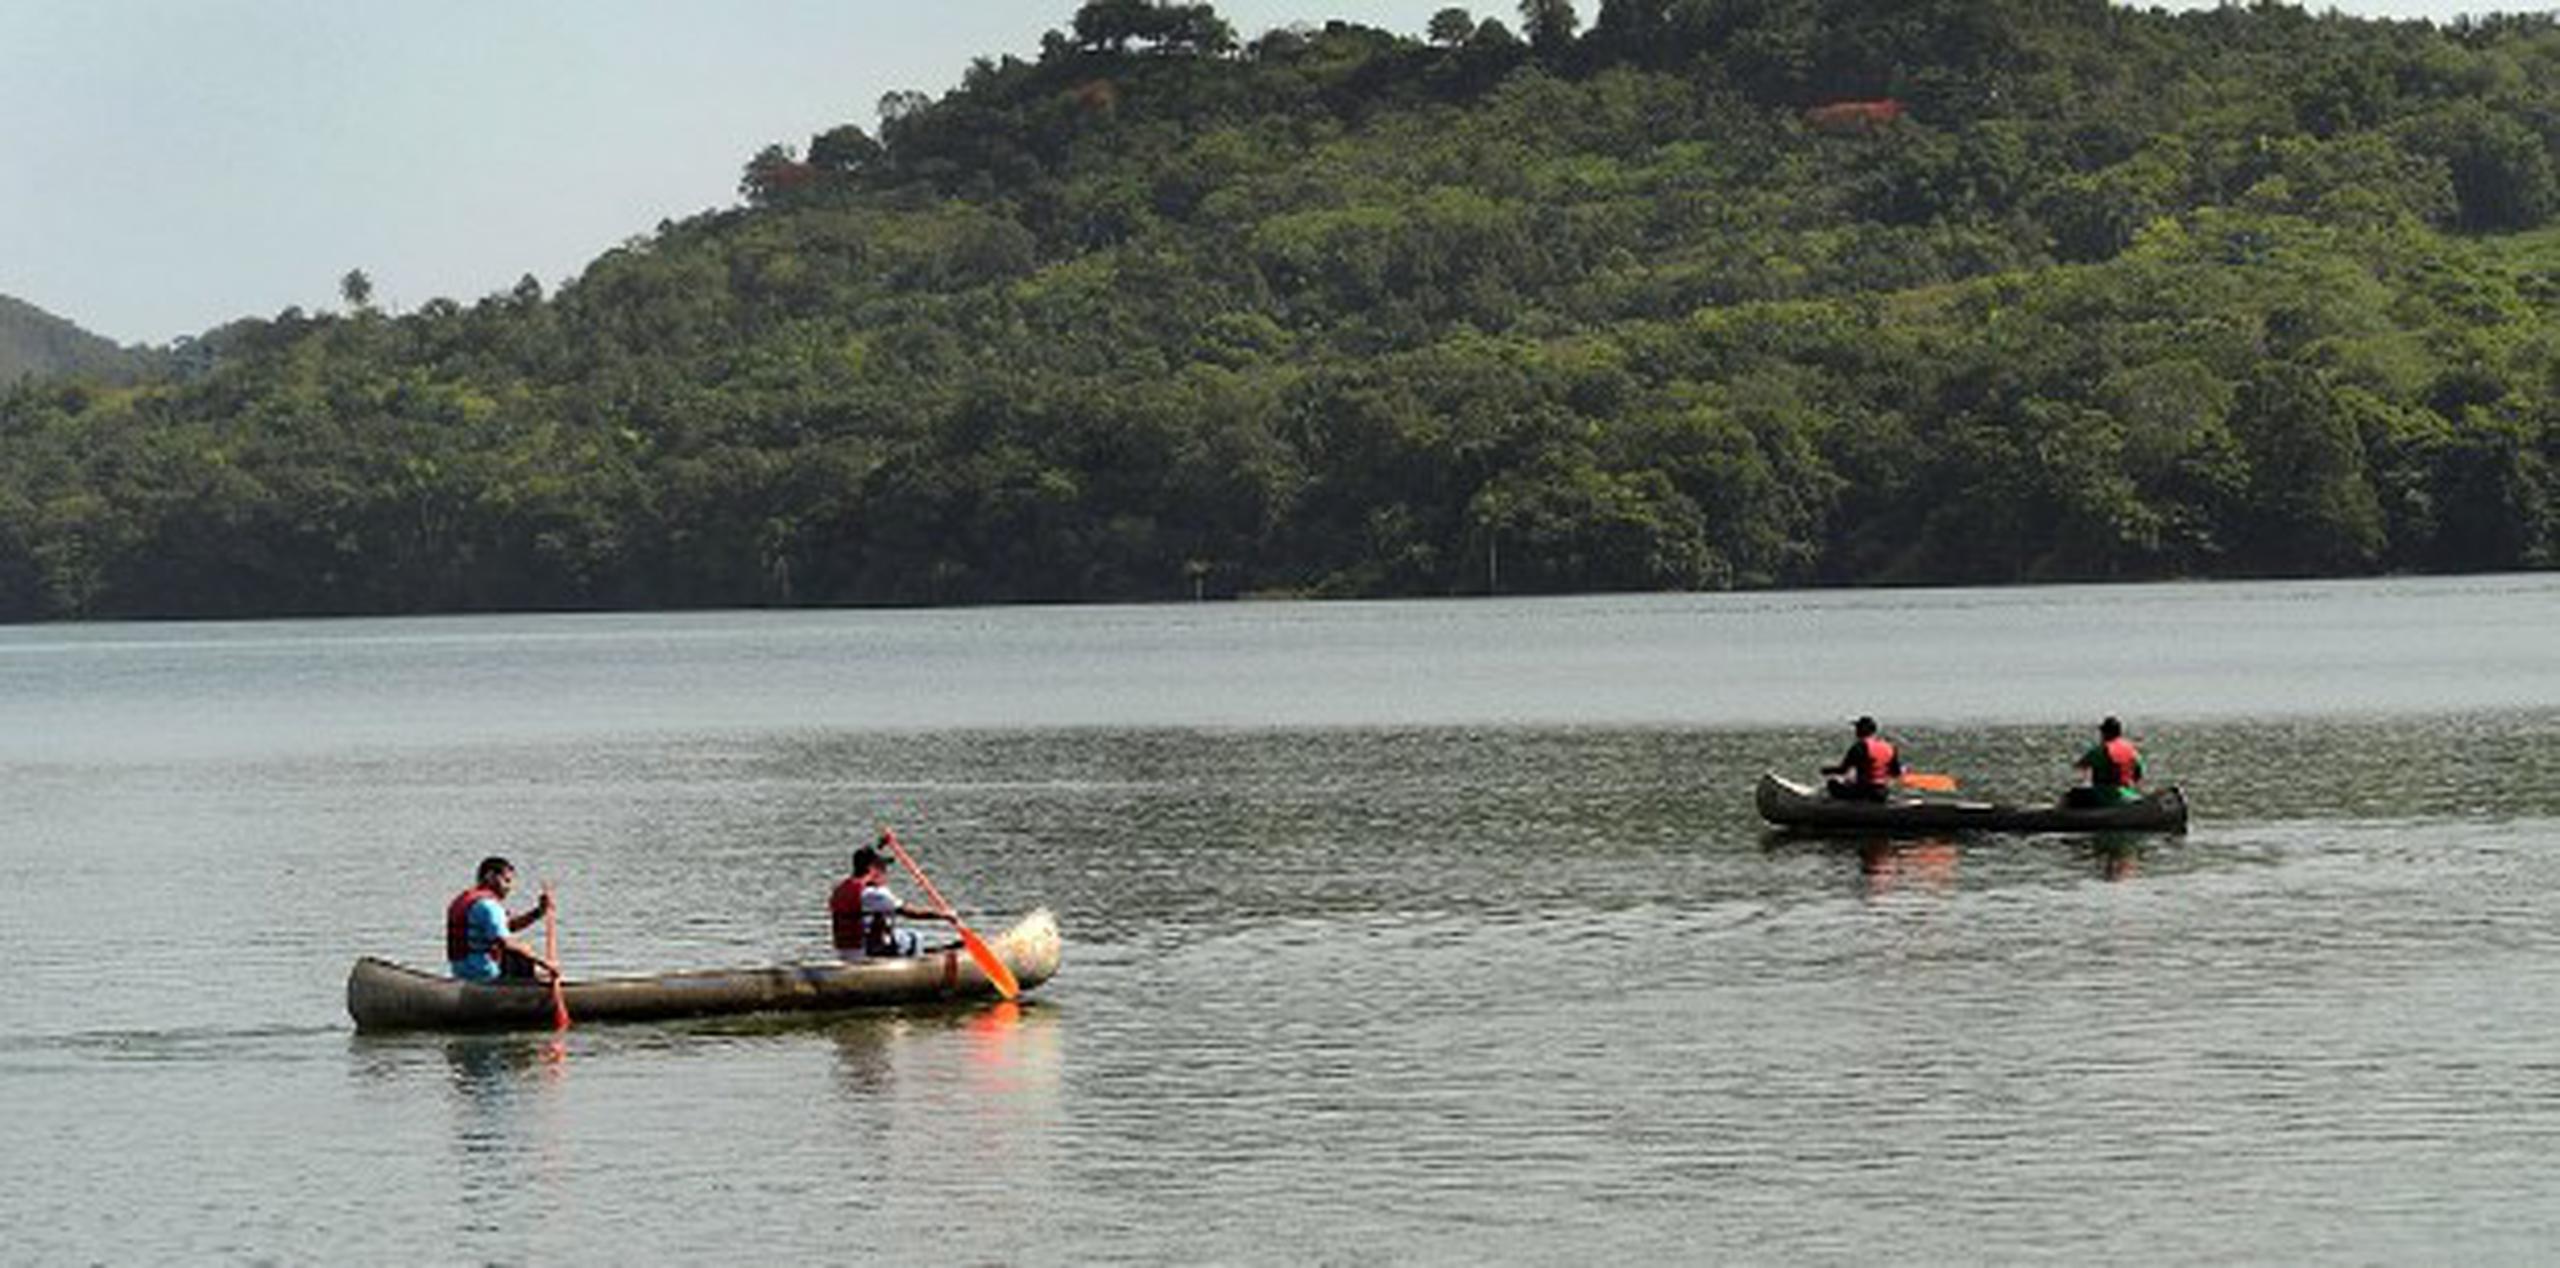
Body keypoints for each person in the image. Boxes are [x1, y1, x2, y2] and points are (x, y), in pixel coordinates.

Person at [830, 839, 956, 960]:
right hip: (868, 952)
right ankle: (916, 974)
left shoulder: (840, 889)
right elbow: (910, 912)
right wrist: (944, 914)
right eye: (882, 866)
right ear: (871, 867)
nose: (885, 871)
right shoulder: (874, 894)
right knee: (915, 937)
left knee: (899, 935)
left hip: (844, 952)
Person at [446, 855, 555, 983]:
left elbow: (509, 926)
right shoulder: (488, 905)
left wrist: (538, 912)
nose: (510, 887)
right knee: (521, 950)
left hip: (460, 970)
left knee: (522, 954)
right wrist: (545, 963)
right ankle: (526, 993)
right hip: (484, 972)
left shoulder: (466, 899)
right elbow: (506, 943)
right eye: (506, 881)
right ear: (490, 877)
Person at [2067, 716, 2145, 807]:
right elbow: (2139, 773)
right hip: (2128, 794)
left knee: (2074, 794)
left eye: (2102, 732)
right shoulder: (2131, 750)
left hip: (2105, 797)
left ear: (2106, 733)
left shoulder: (2100, 750)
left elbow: (2080, 765)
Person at [1820, 716, 1902, 801]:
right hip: (1883, 792)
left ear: (1861, 730)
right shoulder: (1889, 747)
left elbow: (1843, 770)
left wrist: (1826, 771)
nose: (1856, 731)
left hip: (1864, 791)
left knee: (1832, 783)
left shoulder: (1859, 747)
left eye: (1857, 728)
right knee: (1850, 782)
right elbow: (1896, 773)